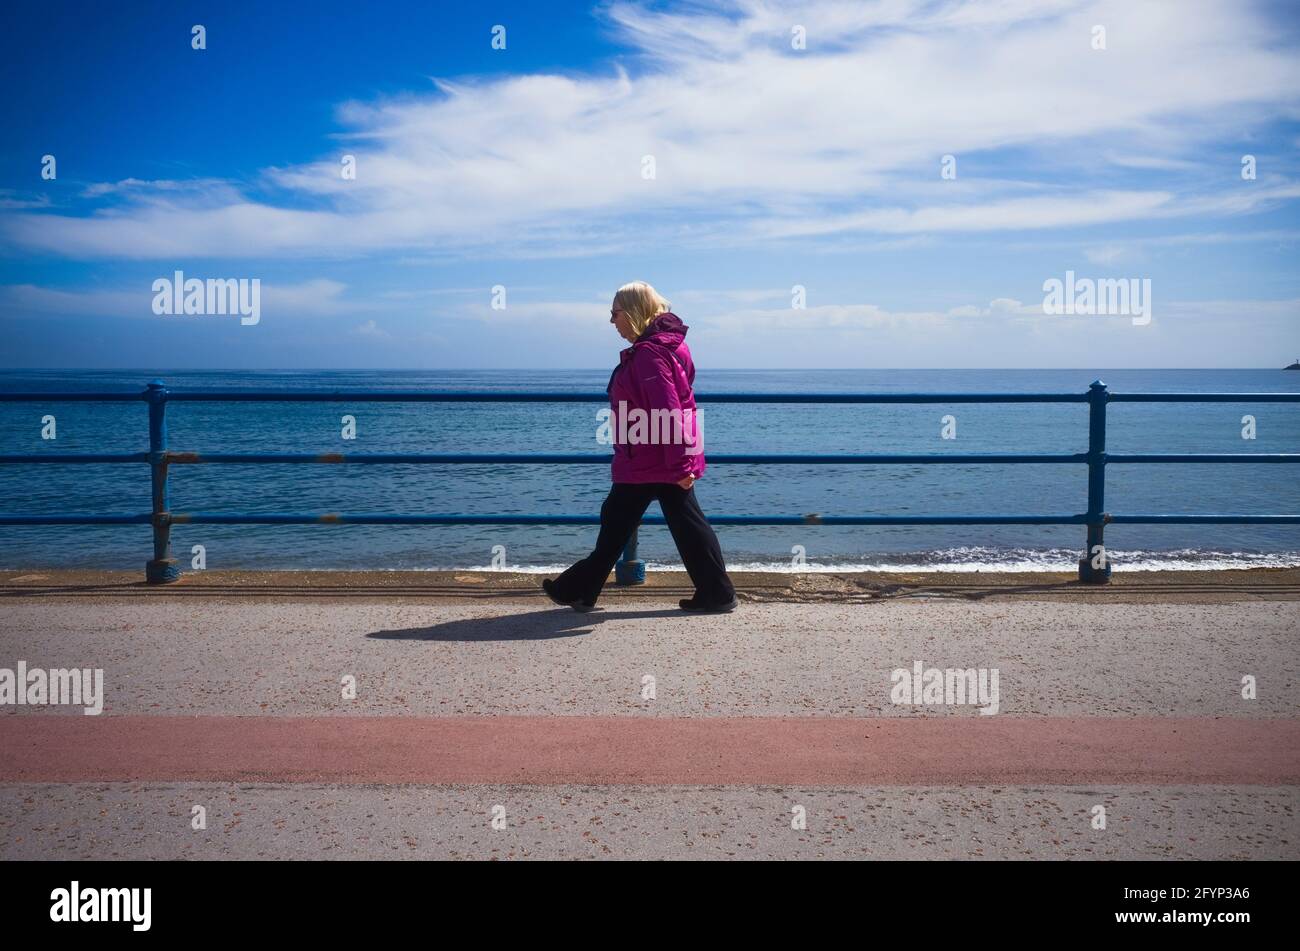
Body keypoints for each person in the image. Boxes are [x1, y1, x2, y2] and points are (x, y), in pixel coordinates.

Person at [543, 281, 737, 613]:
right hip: (653, 455)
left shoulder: (650, 354)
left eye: (614, 313)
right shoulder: (667, 347)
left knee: (632, 522)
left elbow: (667, 410)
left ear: (632, 312)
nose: (611, 321)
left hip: (651, 458)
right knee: (667, 524)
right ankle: (580, 589)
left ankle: (578, 589)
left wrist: (680, 467)